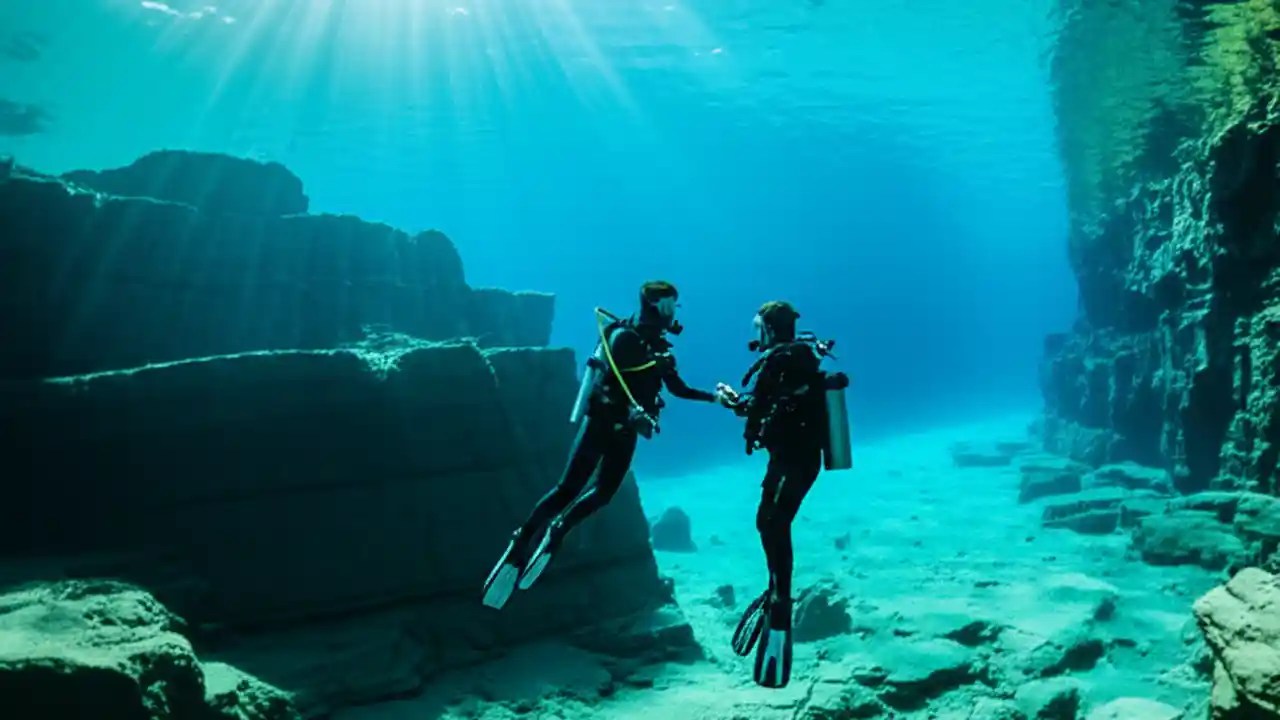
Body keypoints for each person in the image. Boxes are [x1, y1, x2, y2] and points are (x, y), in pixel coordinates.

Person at [483, 280, 721, 610]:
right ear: (652, 304)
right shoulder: (623, 337)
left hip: (627, 431)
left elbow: (677, 388)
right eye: (668, 306)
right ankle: (521, 542)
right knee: (567, 489)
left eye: (674, 306)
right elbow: (617, 375)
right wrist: (650, 377)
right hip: (601, 425)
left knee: (604, 493)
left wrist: (714, 398)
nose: (672, 314)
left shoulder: (660, 348)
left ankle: (558, 530)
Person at [715, 300, 849, 689]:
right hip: (799, 460)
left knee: (772, 522)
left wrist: (733, 406)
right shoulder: (803, 355)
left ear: (769, 329)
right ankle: (778, 587)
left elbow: (756, 408)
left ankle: (780, 598)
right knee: (772, 521)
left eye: (760, 326)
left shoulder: (779, 361)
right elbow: (773, 404)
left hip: (793, 460)